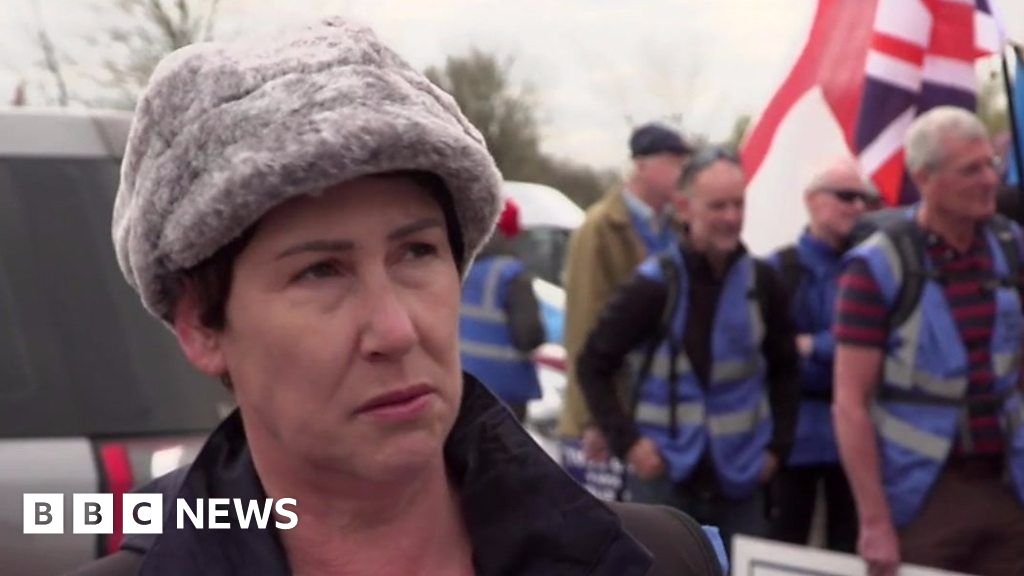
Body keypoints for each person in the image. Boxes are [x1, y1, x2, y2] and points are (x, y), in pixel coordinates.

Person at [68, 18, 724, 576]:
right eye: (321, 271)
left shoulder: (663, 558)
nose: (396, 330)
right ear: (201, 326)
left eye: (416, 253)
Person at [833, 106, 1024, 576]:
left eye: (990, 164)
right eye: (970, 170)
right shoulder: (878, 266)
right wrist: (874, 521)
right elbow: (850, 403)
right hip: (921, 498)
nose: (989, 180)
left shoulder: (1010, 246)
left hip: (1009, 486)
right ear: (924, 178)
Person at [576, 147, 800, 547]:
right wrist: (630, 444)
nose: (731, 217)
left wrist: (776, 450)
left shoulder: (764, 284)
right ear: (684, 207)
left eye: (738, 204)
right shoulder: (653, 285)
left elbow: (786, 370)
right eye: (718, 206)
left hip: (741, 481)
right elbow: (592, 363)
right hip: (664, 480)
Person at [558, 123, 691, 477]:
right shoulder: (600, 227)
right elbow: (583, 324)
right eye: (673, 162)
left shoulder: (676, 226)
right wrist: (593, 418)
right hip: (614, 406)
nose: (682, 172)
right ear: (641, 165)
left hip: (660, 406)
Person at [766, 159, 875, 552]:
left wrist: (817, 345)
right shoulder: (778, 269)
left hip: (858, 439)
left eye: (863, 198)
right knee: (782, 550)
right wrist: (842, 350)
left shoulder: (874, 267)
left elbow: (876, 346)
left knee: (851, 553)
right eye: (846, 196)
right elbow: (773, 351)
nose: (857, 207)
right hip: (791, 437)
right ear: (812, 200)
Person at [459, 198, 545, 421]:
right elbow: (528, 335)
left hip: (461, 381)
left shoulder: (459, 265)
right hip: (504, 388)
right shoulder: (513, 274)